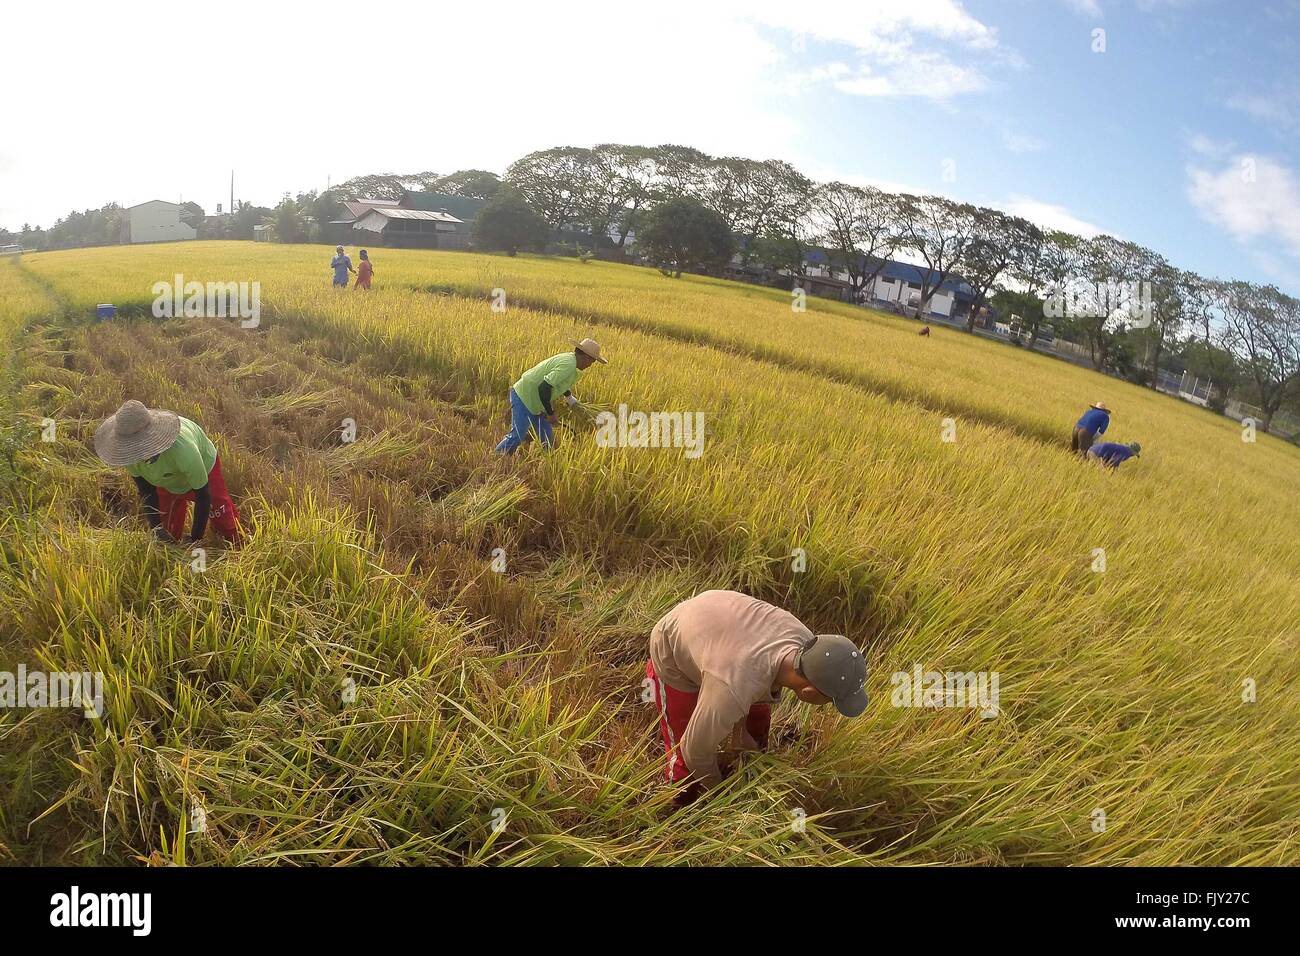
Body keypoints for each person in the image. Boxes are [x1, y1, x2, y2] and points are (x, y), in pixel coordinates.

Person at [646, 590, 868, 807]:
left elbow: (751, 671)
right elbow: (694, 750)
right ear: (808, 692)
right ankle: (679, 805)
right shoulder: (731, 686)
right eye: (831, 700)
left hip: (720, 627)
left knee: (756, 724)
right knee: (687, 757)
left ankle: (742, 765)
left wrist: (741, 733)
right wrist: (721, 795)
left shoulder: (808, 646)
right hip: (674, 646)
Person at [93, 400, 241, 545]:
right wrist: (156, 528)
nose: (140, 454)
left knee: (221, 515)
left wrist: (195, 538)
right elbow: (147, 491)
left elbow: (203, 494)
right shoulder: (129, 456)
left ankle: (236, 545)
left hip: (205, 468)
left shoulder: (184, 450)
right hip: (164, 479)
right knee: (167, 528)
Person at [495, 338, 607, 454]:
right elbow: (544, 387)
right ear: (586, 357)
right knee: (517, 436)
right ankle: (496, 458)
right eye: (592, 362)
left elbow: (558, 381)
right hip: (524, 396)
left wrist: (569, 397)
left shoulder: (570, 360)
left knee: (546, 438)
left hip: (536, 400)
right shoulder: (568, 365)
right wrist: (550, 413)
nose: (590, 365)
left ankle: (546, 463)